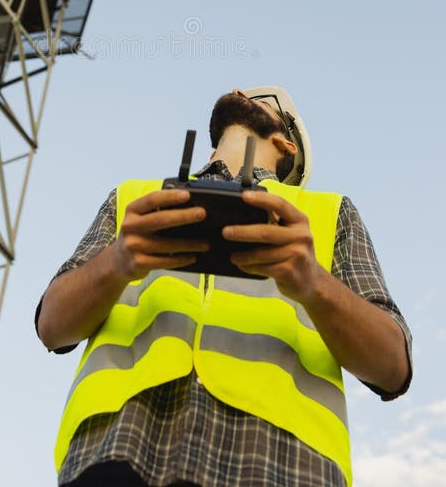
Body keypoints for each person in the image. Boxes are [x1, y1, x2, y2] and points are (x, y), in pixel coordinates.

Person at [36, 87, 412, 487]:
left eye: (263, 96)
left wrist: (312, 282)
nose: (238, 92)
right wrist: (117, 262)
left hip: (281, 464)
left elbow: (392, 367)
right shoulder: (135, 199)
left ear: (286, 142)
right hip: (116, 452)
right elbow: (53, 326)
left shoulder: (329, 213)